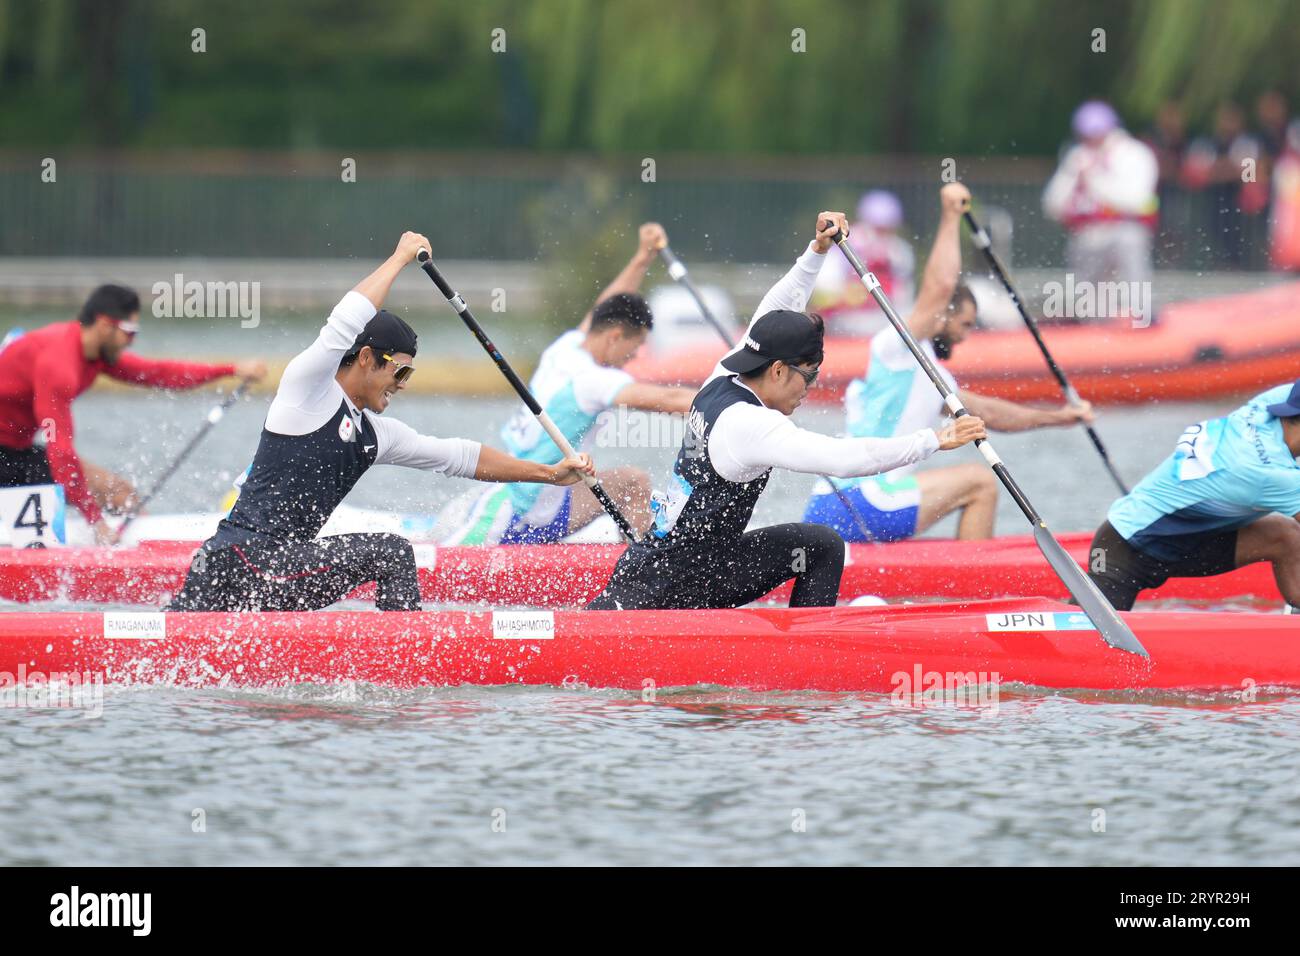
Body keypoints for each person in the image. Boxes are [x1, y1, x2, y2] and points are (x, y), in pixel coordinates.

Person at [168, 232, 594, 612]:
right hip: (243, 560)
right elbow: (344, 321)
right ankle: (407, 664)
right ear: (367, 358)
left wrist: (549, 474)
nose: (403, 385)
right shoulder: (307, 388)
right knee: (390, 552)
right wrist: (399, 258)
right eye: (400, 372)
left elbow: (459, 456)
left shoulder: (376, 436)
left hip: (270, 570)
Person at [586, 213, 987, 611]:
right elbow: (844, 459)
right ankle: (809, 657)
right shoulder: (751, 425)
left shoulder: (726, 372)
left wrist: (817, 251)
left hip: (656, 564)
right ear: (778, 370)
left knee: (817, 543)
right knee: (823, 546)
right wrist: (935, 439)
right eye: (808, 378)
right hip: (680, 587)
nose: (808, 391)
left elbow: (775, 309)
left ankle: (800, 642)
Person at [803, 183, 1093, 542]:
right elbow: (940, 287)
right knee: (980, 482)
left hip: (828, 501)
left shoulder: (930, 376)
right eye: (965, 324)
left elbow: (993, 415)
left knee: (968, 478)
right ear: (942, 316)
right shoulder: (898, 346)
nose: (965, 335)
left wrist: (1061, 417)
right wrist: (950, 215)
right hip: (867, 499)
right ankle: (975, 586)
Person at [444, 223, 696, 544]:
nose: (629, 360)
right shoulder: (593, 381)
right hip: (521, 512)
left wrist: (643, 257)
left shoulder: (566, 347)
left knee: (632, 483)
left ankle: (639, 559)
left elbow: (607, 305)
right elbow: (668, 399)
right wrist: (729, 401)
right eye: (631, 352)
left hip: (545, 500)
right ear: (616, 336)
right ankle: (646, 571)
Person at [0, 284, 265, 545]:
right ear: (105, 324)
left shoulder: (93, 355)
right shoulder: (58, 365)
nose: (133, 341)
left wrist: (231, 369)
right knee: (88, 486)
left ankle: (130, 562)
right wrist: (95, 520)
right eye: (129, 331)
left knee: (122, 497)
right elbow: (61, 453)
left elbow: (160, 373)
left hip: (15, 452)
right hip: (6, 456)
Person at [1087, 380, 1300, 611]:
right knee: (1088, 637)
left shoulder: (1267, 406)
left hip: (1184, 544)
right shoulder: (1273, 475)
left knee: (1284, 536)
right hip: (1123, 548)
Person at [1042, 100, 1158, 300]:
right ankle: (1090, 315)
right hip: (1088, 234)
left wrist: (1094, 181)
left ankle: (1142, 311)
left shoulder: (1134, 154)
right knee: (1088, 296)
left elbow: (1137, 200)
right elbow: (1053, 203)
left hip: (1126, 229)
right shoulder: (1078, 156)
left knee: (1129, 242)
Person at [811, 189, 915, 332]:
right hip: (845, 323)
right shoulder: (846, 245)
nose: (882, 234)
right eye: (878, 229)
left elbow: (904, 296)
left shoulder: (900, 251)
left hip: (884, 323)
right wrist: (849, 294)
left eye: (887, 229)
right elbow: (825, 287)